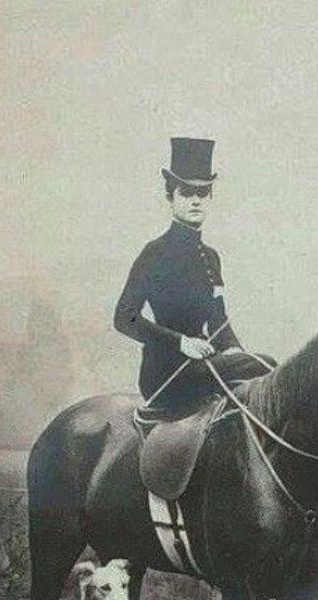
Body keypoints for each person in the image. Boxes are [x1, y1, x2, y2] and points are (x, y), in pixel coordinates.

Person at [114, 138, 275, 411]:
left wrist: (233, 350)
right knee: (266, 364)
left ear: (210, 197)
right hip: (166, 374)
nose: (195, 201)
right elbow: (123, 318)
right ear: (170, 197)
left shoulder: (211, 257)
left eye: (203, 193)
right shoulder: (154, 253)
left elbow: (218, 321)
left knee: (262, 373)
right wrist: (181, 343)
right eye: (186, 193)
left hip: (204, 367)